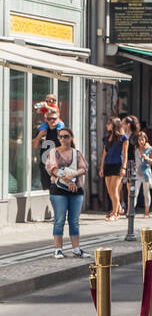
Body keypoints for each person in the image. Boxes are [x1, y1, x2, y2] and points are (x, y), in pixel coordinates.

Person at [45, 128, 87, 258]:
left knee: (74, 221)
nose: (63, 139)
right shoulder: (53, 152)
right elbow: (52, 169)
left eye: (66, 136)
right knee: (59, 220)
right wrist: (68, 180)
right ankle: (58, 249)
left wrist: (73, 175)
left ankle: (76, 249)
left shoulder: (76, 153)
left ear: (71, 137)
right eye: (61, 137)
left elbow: (84, 168)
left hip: (76, 190)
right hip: (58, 191)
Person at [32, 95, 65, 193]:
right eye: (49, 118)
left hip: (57, 163)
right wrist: (39, 136)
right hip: (45, 163)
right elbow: (34, 146)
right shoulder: (44, 127)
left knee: (58, 186)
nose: (51, 121)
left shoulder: (55, 110)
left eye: (54, 118)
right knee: (48, 187)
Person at [99, 117, 127, 219]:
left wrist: (123, 167)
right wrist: (101, 168)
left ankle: (115, 213)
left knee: (114, 189)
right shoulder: (107, 138)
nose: (107, 125)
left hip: (117, 164)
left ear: (114, 125)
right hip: (108, 164)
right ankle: (118, 208)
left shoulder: (123, 138)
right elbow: (104, 153)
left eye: (109, 123)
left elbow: (125, 153)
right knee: (110, 190)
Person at [130, 130, 152, 217]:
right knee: (135, 192)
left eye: (142, 139)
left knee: (146, 192)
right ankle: (131, 211)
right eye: (139, 140)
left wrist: (146, 158)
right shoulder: (136, 148)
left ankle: (146, 212)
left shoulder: (150, 149)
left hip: (146, 172)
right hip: (137, 172)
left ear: (146, 139)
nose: (141, 141)